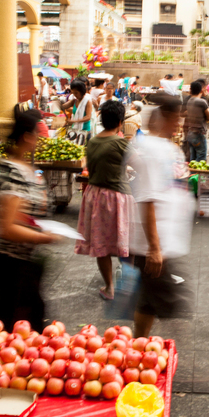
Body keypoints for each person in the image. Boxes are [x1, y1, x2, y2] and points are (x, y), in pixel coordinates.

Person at [126, 94, 194, 338]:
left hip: (165, 242)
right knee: (170, 301)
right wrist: (154, 248)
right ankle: (150, 349)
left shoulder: (170, 148)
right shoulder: (149, 150)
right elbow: (147, 198)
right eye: (175, 118)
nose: (179, 124)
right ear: (162, 117)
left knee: (149, 301)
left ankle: (139, 344)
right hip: (153, 244)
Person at [0, 108, 59, 331]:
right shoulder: (13, 172)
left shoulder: (28, 169)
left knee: (27, 321)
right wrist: (43, 238)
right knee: (14, 326)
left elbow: (31, 205)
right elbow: (7, 228)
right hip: (12, 264)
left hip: (24, 262)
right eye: (38, 134)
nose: (40, 140)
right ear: (27, 136)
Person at [76, 100, 133, 301]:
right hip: (117, 197)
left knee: (101, 245)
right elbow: (140, 164)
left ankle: (109, 287)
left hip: (94, 196)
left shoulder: (92, 142)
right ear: (120, 122)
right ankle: (129, 285)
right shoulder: (120, 143)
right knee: (127, 242)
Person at [182, 80, 209, 162]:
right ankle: (197, 170)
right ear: (201, 90)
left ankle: (192, 170)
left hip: (190, 132)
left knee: (193, 157)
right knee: (201, 156)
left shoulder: (189, 101)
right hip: (199, 133)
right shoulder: (202, 102)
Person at [62, 79, 93, 145]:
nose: (75, 95)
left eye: (76, 93)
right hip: (75, 130)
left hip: (85, 130)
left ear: (81, 92)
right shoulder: (75, 101)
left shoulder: (87, 101)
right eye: (73, 93)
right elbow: (63, 107)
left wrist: (74, 121)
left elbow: (88, 117)